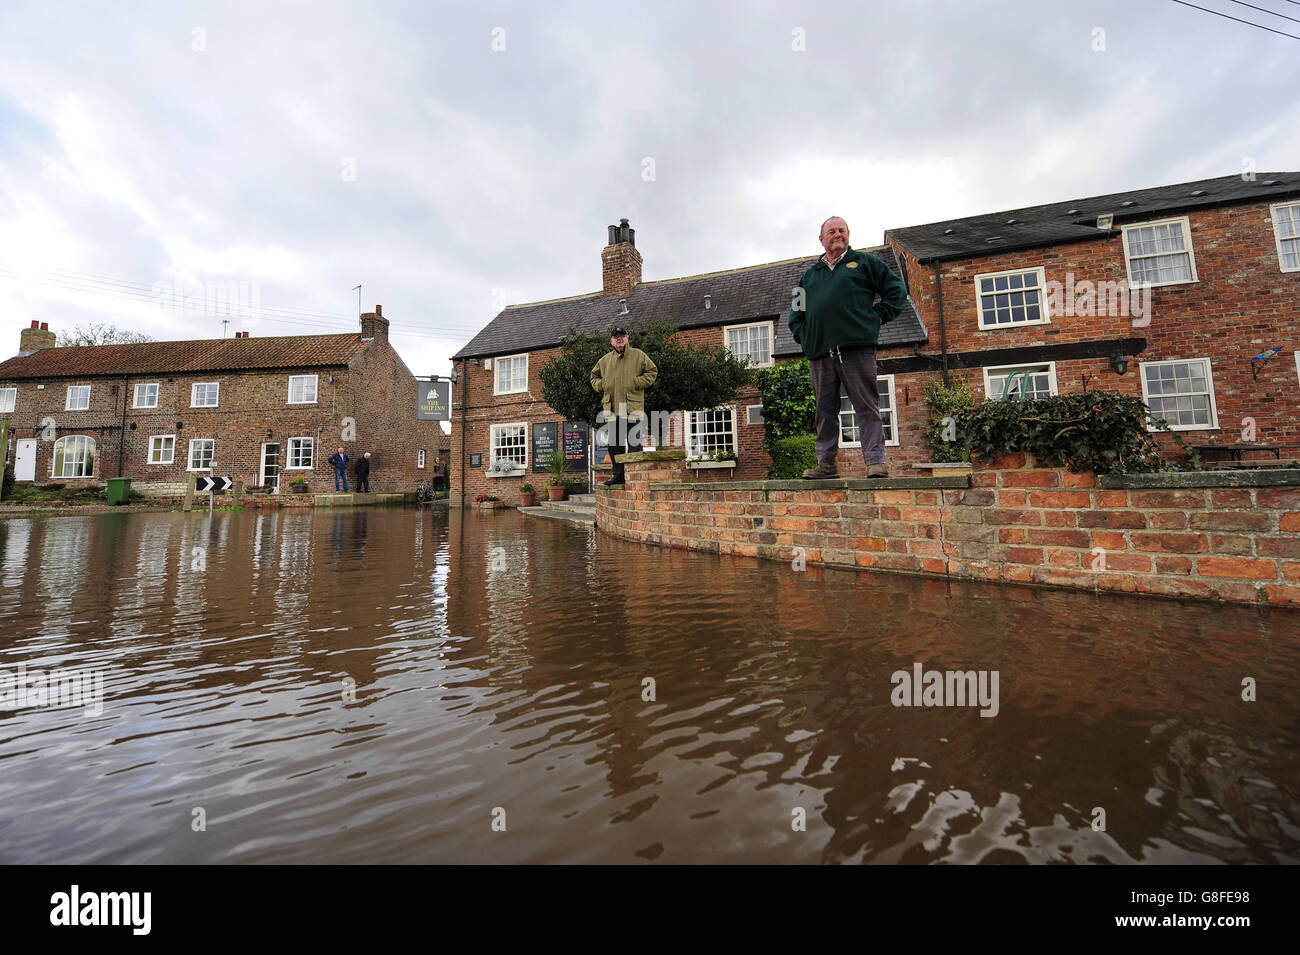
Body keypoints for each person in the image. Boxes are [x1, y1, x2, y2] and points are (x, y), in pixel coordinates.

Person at [788, 216, 908, 479]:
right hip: (820, 354)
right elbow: (795, 316)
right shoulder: (806, 278)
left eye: (842, 230)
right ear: (822, 239)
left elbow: (897, 291)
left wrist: (877, 316)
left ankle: (875, 462)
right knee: (824, 412)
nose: (837, 234)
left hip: (856, 349)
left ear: (849, 235)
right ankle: (827, 464)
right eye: (831, 231)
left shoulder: (866, 263)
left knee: (867, 406)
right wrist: (806, 337)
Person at [590, 326, 658, 487]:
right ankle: (618, 476)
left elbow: (652, 372)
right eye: (616, 337)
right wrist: (603, 385)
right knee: (614, 445)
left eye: (622, 336)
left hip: (632, 407)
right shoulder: (604, 360)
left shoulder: (638, 355)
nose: (619, 339)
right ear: (611, 341)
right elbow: (593, 377)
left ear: (627, 339)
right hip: (612, 409)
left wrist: (636, 382)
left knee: (634, 442)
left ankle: (635, 477)